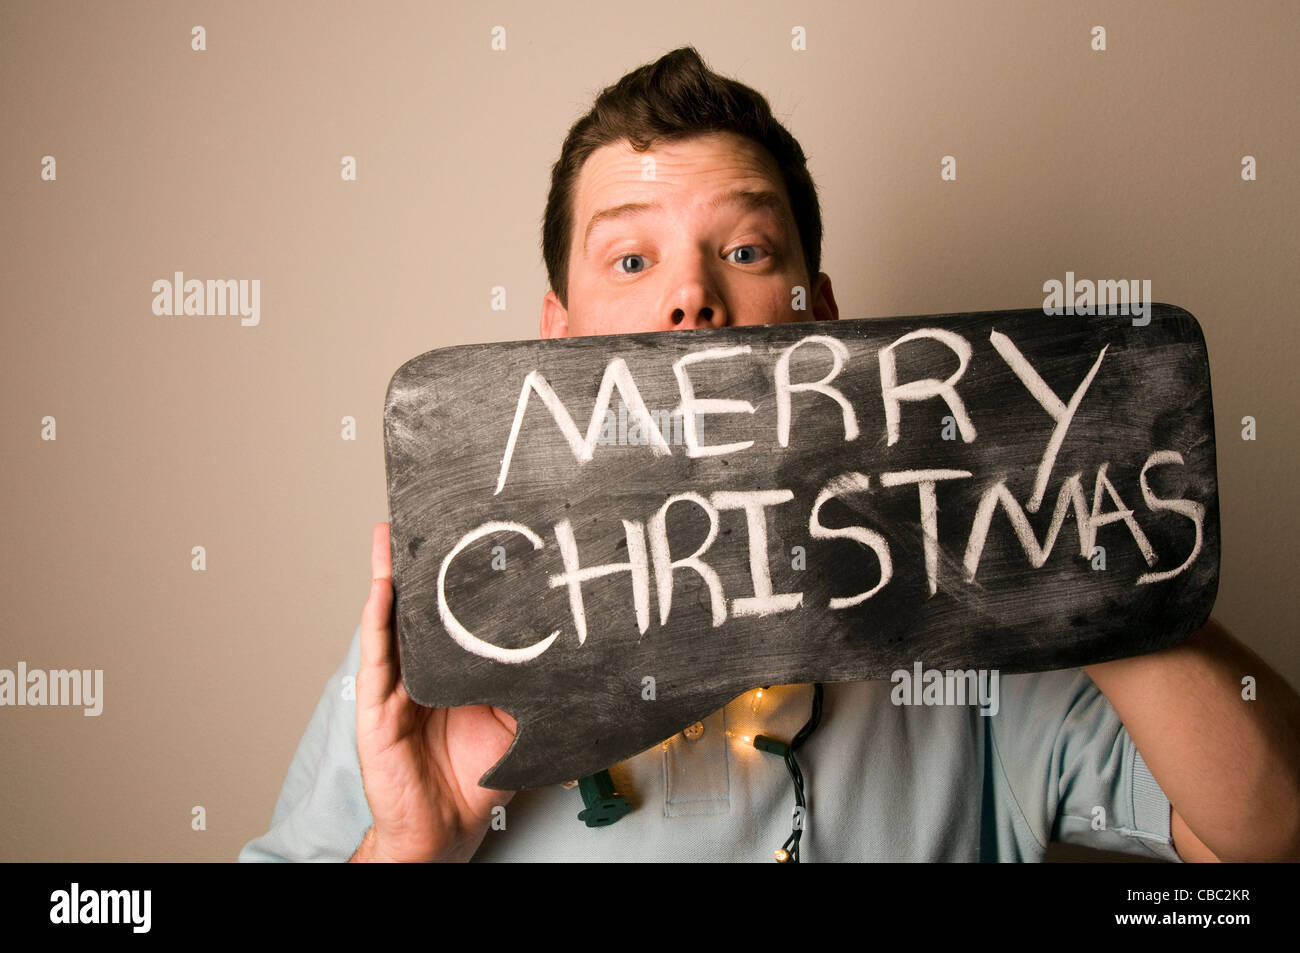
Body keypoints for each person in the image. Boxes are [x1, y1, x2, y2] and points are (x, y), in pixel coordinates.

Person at [240, 47, 1300, 863]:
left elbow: (1258, 836)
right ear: (553, 338)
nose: (691, 293)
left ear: (819, 316)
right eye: (630, 255)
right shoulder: (451, 641)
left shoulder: (983, 616)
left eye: (745, 250)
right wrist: (410, 845)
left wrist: (1074, 538)